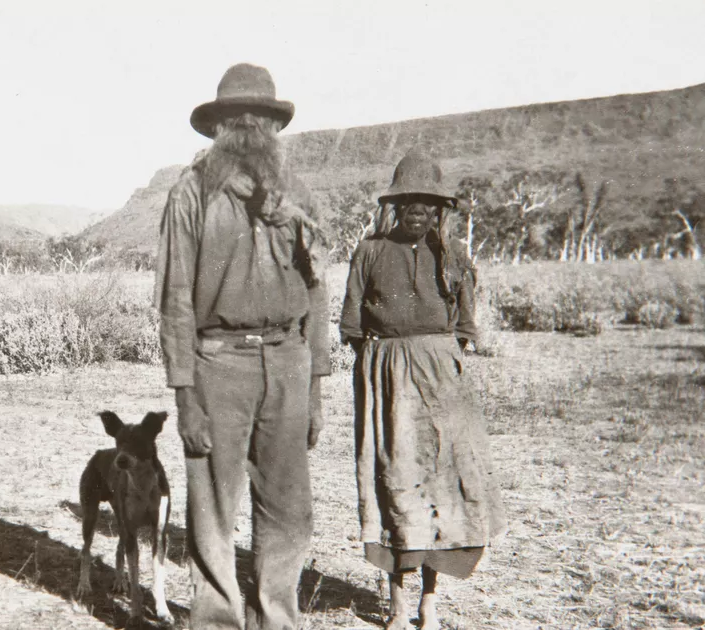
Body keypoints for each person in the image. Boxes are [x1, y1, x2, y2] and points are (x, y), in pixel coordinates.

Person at [153, 62, 333, 630]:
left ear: (274, 126)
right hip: (217, 363)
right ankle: (216, 622)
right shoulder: (190, 194)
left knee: (289, 508)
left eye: (261, 116)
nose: (250, 125)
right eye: (238, 116)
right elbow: (175, 298)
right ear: (219, 126)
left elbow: (317, 291)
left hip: (287, 360)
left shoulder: (297, 195)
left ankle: (277, 619)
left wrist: (316, 389)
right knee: (213, 507)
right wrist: (185, 397)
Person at [338, 148, 507, 630]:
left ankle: (429, 604)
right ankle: (396, 604)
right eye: (409, 202)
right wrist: (386, 366)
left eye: (427, 203)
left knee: (443, 482)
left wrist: (439, 362)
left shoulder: (453, 255)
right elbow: (353, 321)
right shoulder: (370, 251)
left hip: (442, 380)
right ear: (394, 206)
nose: (418, 211)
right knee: (395, 478)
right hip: (386, 375)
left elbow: (466, 325)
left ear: (439, 210)